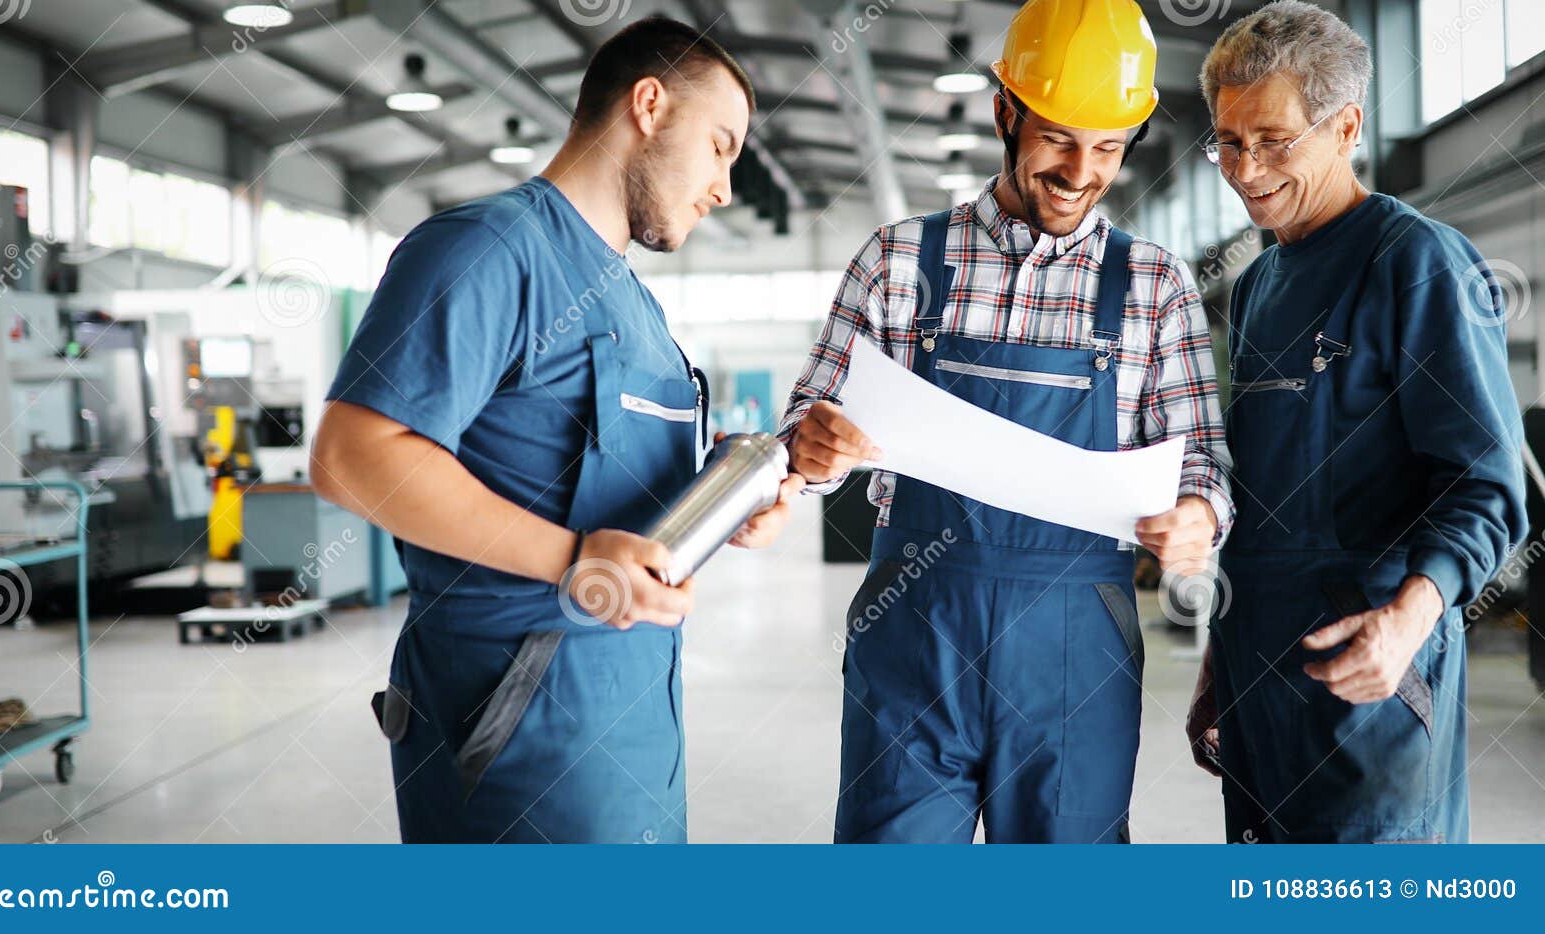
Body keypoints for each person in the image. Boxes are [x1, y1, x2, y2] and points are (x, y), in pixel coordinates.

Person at [310, 16, 801, 844]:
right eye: (720, 146)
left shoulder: (632, 300)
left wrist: (729, 494)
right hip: (516, 733)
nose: (724, 186)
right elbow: (351, 457)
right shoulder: (489, 250)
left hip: (631, 716)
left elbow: (609, 485)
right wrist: (572, 561)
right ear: (648, 105)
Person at [779, 0, 1234, 843]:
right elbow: (801, 430)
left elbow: (1201, 460)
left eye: (1107, 148)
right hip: (914, 634)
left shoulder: (1155, 286)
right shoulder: (896, 260)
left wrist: (1199, 517)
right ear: (1005, 111)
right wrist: (809, 447)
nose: (1080, 171)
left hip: (1075, 657)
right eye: (1059, 138)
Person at [1186, 1, 1526, 844]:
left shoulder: (1416, 263)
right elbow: (1256, 500)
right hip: (1259, 682)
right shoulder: (1260, 284)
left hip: (1368, 680)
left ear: (1347, 128)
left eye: (1273, 141)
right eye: (1228, 141)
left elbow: (1488, 483)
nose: (1245, 167)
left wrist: (1411, 616)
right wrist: (1217, 661)